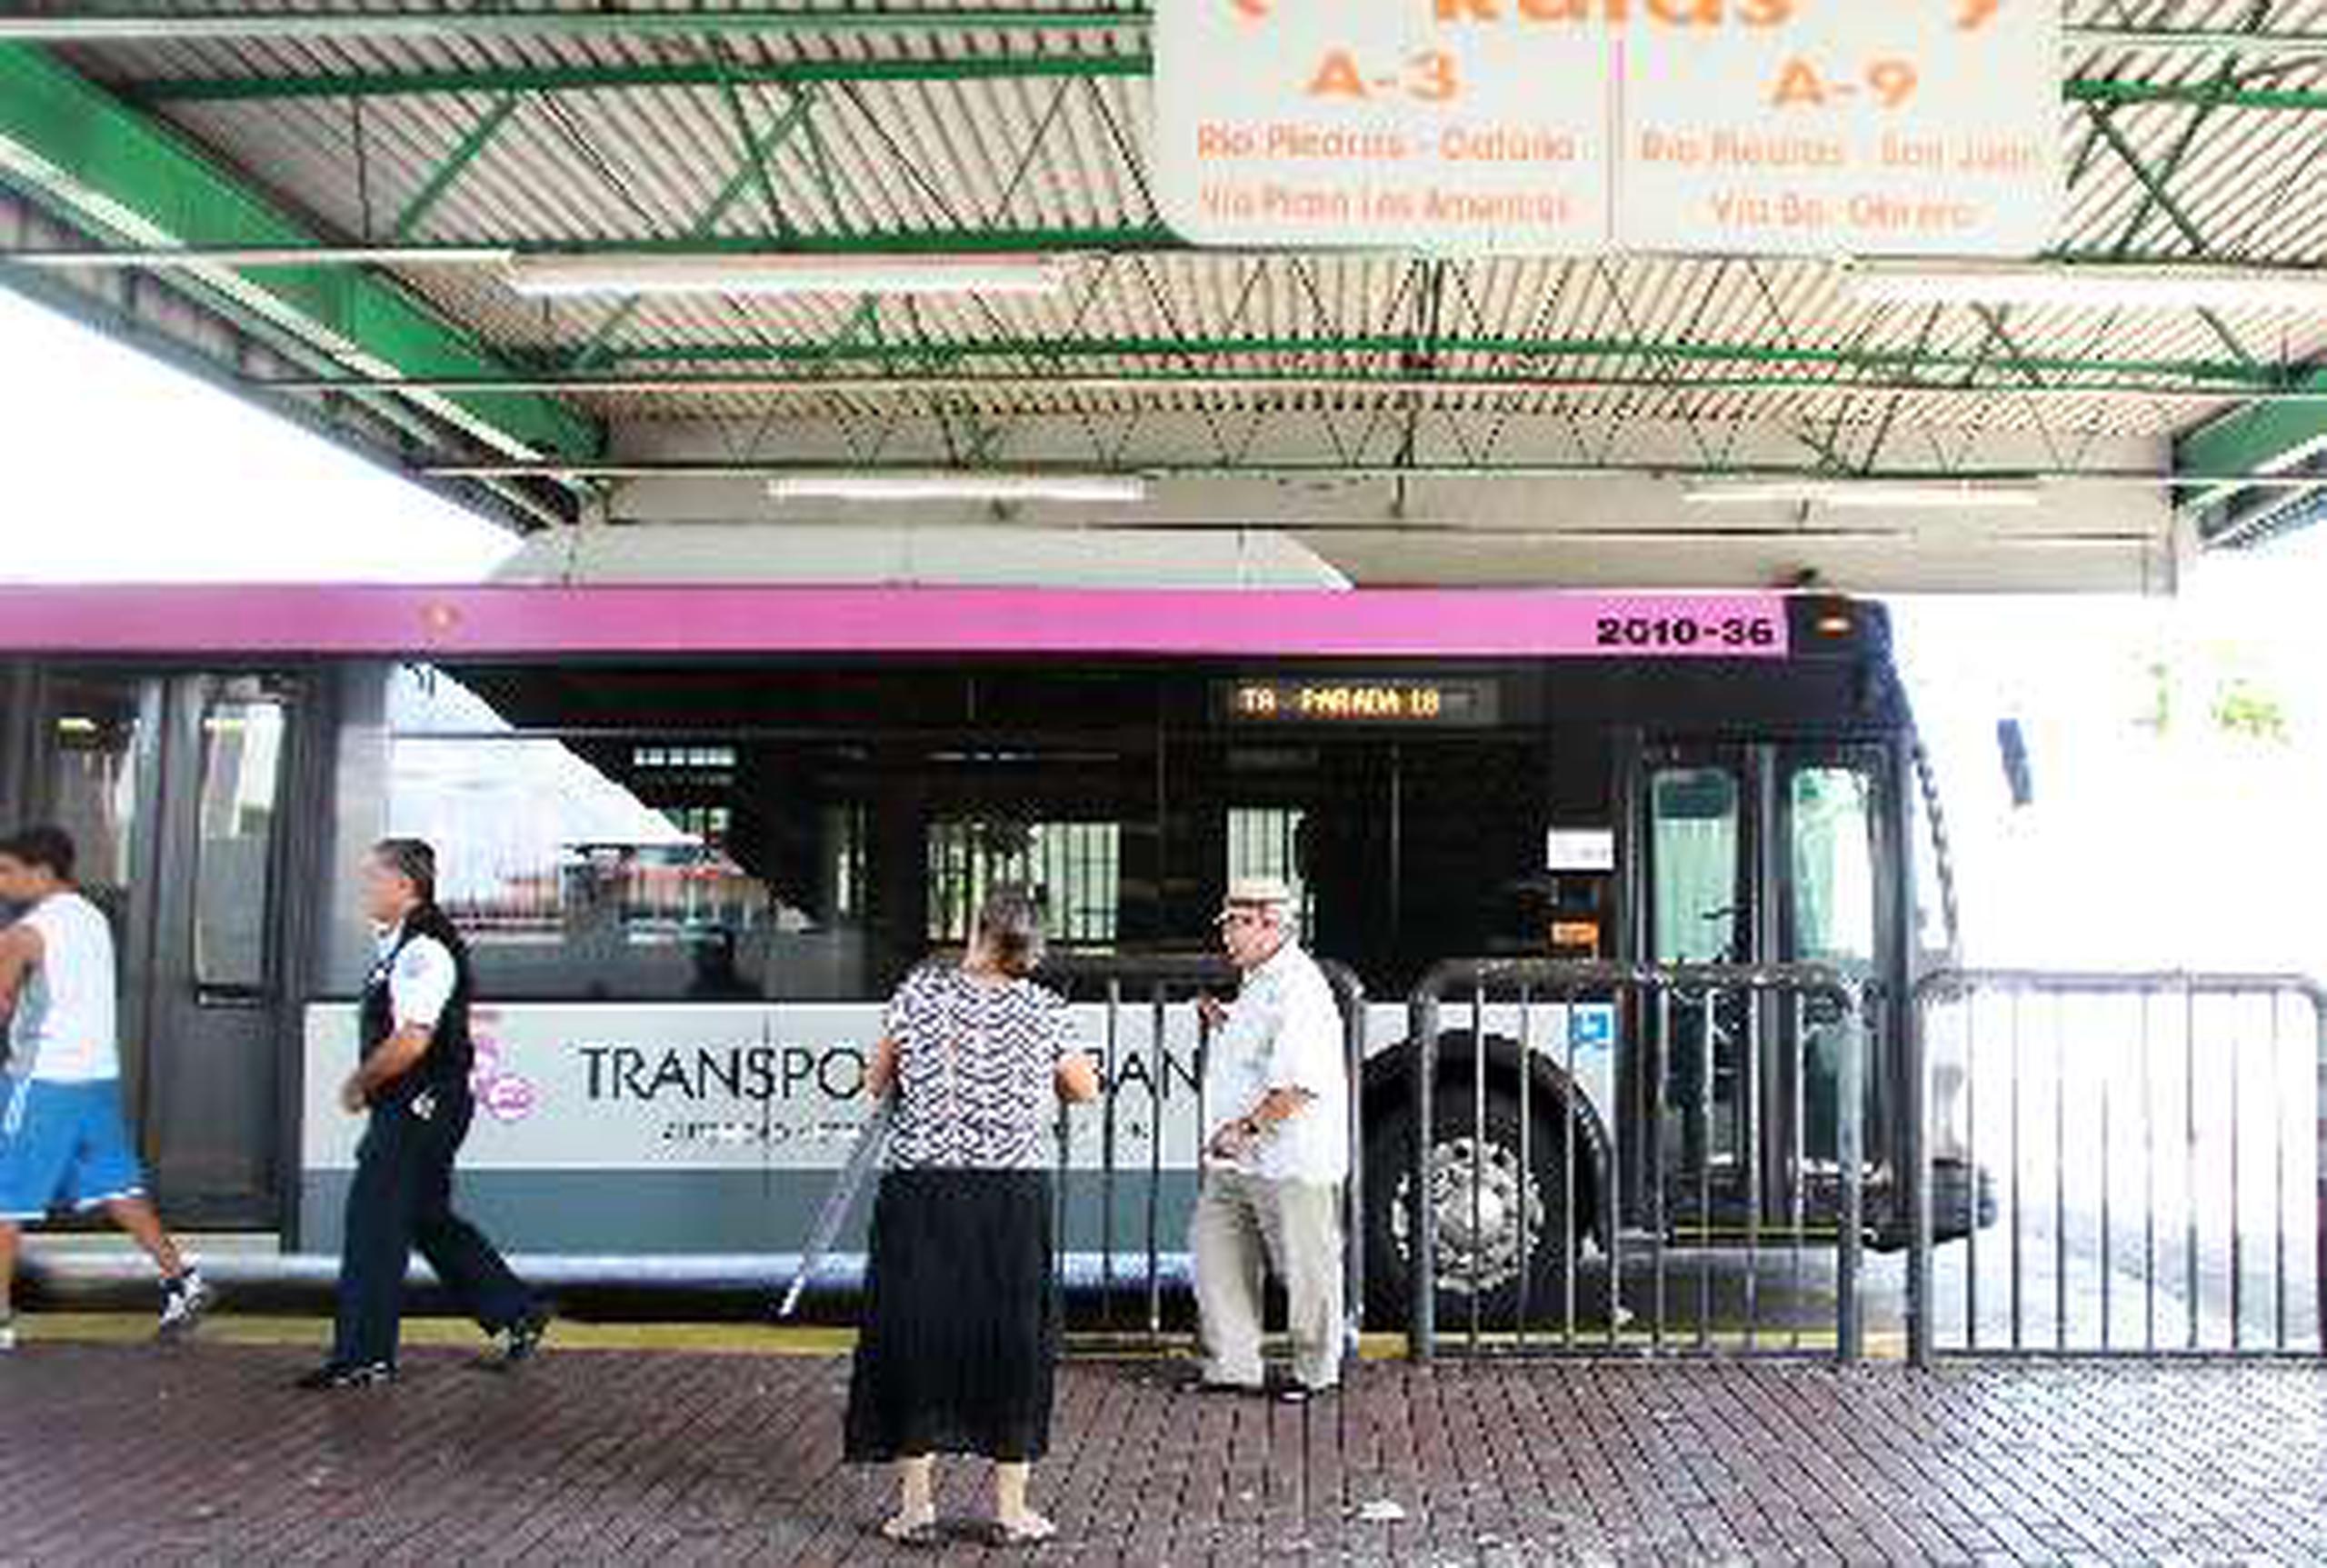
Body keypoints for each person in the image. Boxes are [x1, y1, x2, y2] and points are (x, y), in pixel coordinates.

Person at [844, 887, 1100, 1547]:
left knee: (918, 1329)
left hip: (922, 1190)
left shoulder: (918, 995)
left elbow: (876, 1080)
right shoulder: (1044, 1008)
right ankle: (1011, 1511)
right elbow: (1084, 1088)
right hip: (1010, 1195)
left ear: (977, 931)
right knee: (1011, 1335)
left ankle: (915, 1506)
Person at [298, 837, 546, 1389]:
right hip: (425, 1102)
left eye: (373, 879)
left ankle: (364, 1356)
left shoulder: (421, 950)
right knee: (425, 1216)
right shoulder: (402, 943)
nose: (365, 889)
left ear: (404, 886)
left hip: (419, 1103)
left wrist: (361, 1082)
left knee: (374, 1220)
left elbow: (412, 1040)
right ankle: (516, 1313)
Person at [0, 825, 212, 1352]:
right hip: (96, 1075)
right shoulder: (94, 919)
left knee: (5, 1198)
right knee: (115, 1185)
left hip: (43, 1078)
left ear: (41, 872)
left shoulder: (27, 932)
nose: (1, 883)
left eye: (7, 871)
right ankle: (182, 1280)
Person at [1188, 875, 1350, 1403]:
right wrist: (1226, 1021)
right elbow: (1262, 1046)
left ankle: (1315, 1371)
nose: (1226, 936)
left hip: (1287, 1156)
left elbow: (1300, 1082)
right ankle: (1231, 1365)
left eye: (1234, 924)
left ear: (1267, 923)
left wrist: (1248, 1129)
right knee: (1217, 1252)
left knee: (1306, 1266)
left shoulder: (1298, 987)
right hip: (1239, 1158)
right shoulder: (1261, 980)